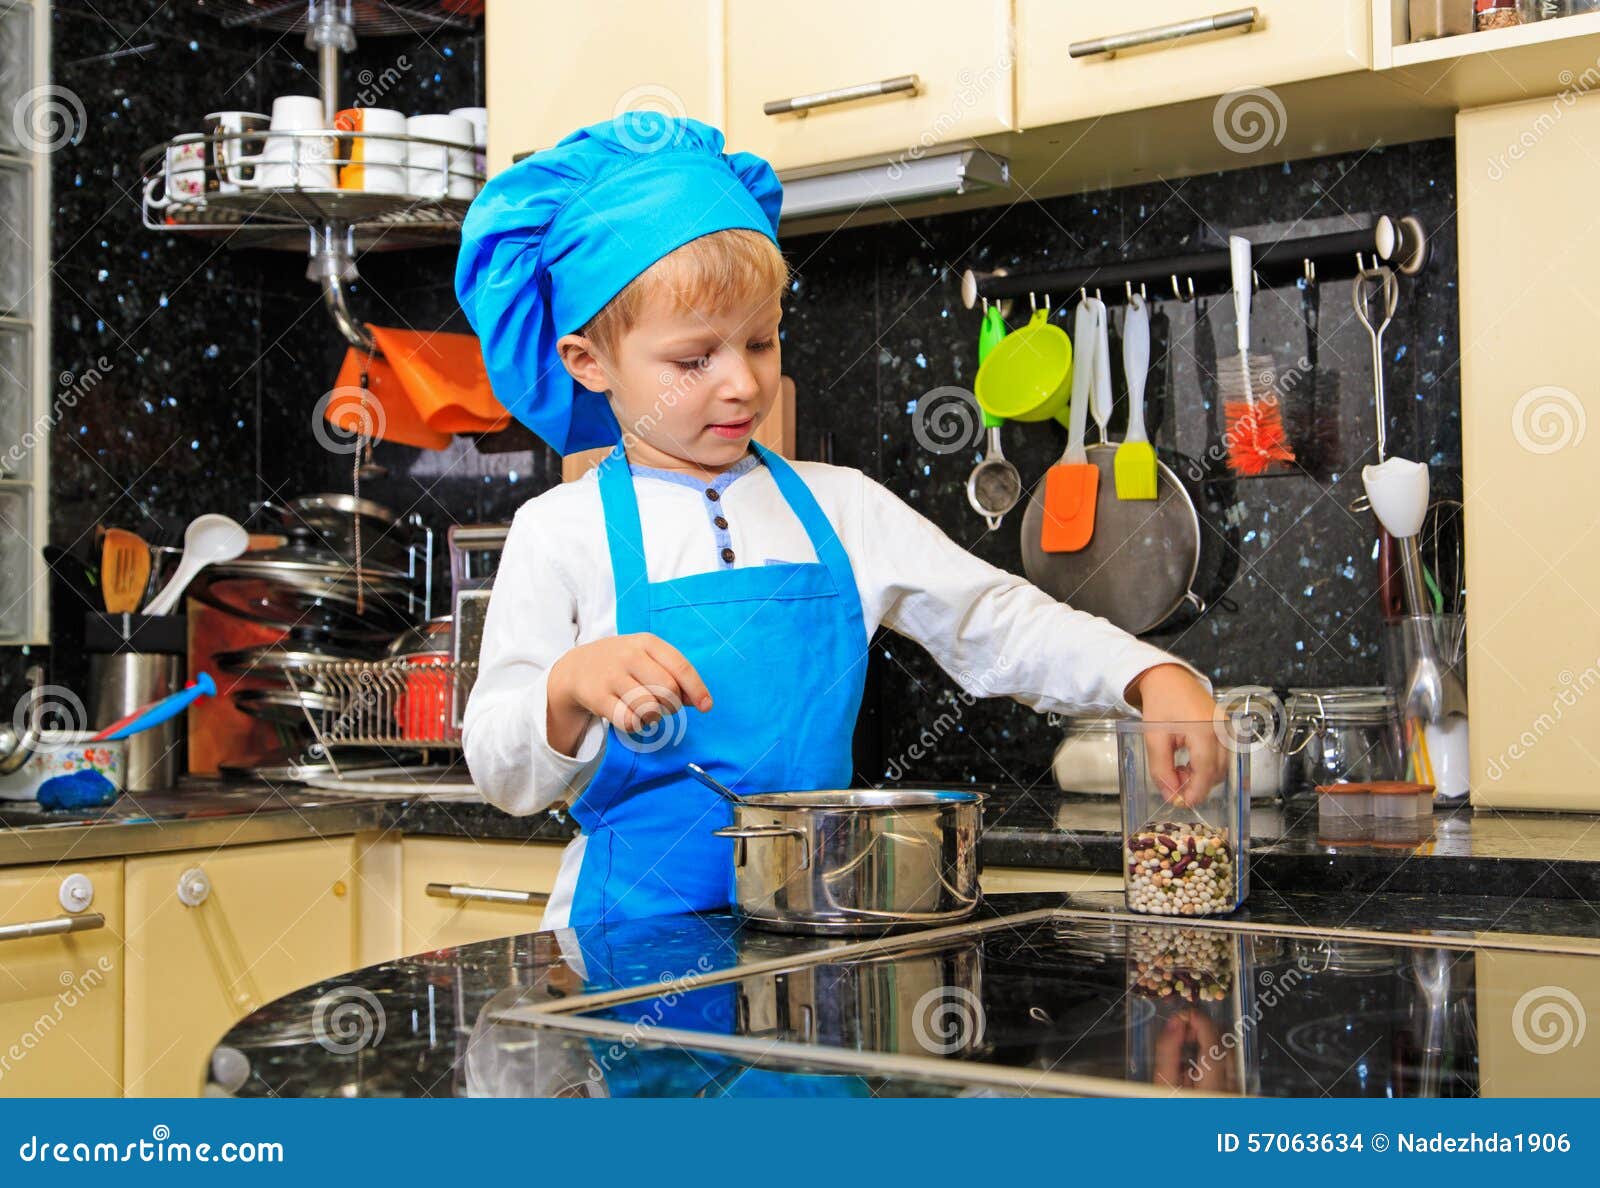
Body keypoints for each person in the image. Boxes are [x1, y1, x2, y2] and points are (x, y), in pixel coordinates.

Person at [454, 113, 1224, 931]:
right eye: (693, 360)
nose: (743, 384)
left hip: (813, 939)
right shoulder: (557, 530)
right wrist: (568, 688)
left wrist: (1145, 676)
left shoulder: (840, 506)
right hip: (618, 955)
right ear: (588, 362)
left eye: (761, 341)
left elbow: (994, 619)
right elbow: (501, 769)